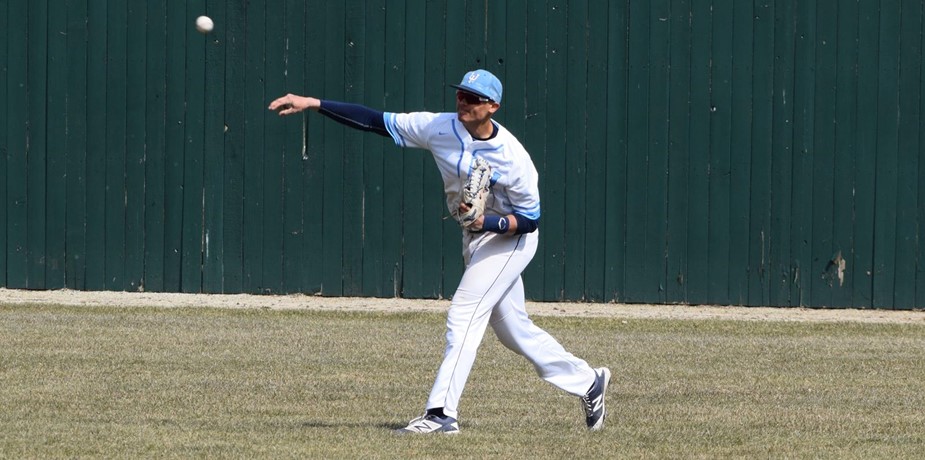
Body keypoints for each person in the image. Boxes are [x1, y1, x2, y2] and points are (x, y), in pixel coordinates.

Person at [268, 69, 610, 434]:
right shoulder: (438, 127)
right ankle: (588, 380)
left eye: (473, 98)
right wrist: (313, 104)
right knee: (514, 331)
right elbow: (374, 121)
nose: (463, 101)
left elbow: (530, 219)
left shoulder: (512, 157)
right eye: (461, 94)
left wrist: (488, 225)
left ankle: (441, 414)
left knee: (464, 313)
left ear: (493, 106)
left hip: (510, 240)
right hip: (476, 239)